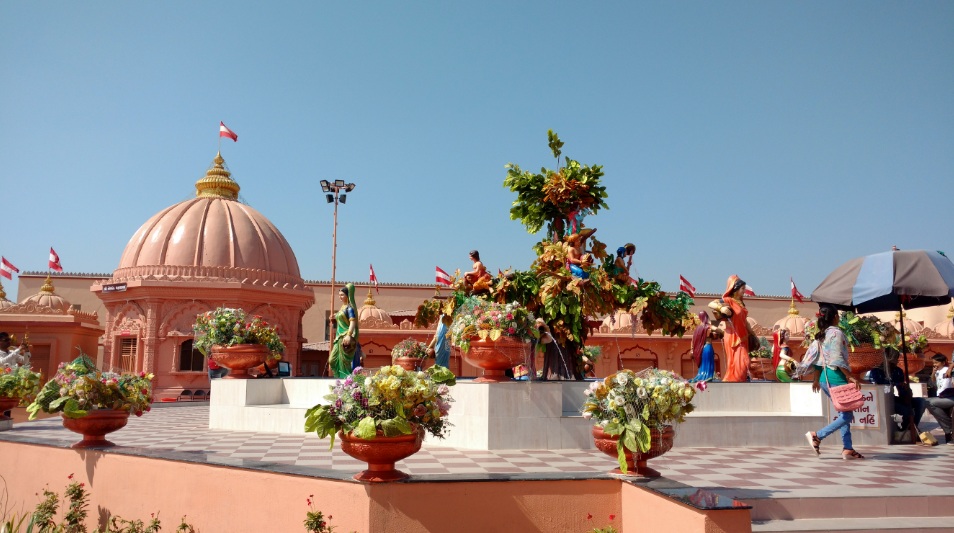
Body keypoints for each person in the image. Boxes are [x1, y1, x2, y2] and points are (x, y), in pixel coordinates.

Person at [803, 303, 865, 460]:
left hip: (825, 378)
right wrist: (850, 376)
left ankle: (848, 448)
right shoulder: (836, 334)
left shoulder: (822, 334)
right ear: (836, 317)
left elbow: (818, 359)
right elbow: (837, 358)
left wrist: (816, 379)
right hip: (836, 377)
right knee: (847, 415)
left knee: (844, 413)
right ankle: (817, 436)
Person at [868, 347, 926, 435]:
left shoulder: (898, 371)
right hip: (883, 400)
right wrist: (896, 384)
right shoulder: (876, 371)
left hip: (894, 398)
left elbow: (901, 390)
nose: (896, 361)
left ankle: (912, 428)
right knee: (906, 411)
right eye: (894, 358)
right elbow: (879, 387)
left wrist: (906, 392)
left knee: (920, 402)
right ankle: (904, 429)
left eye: (896, 358)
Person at [717, 275, 755, 382]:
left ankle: (736, 381)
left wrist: (752, 333)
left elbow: (745, 321)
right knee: (743, 361)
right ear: (735, 289)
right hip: (733, 336)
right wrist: (722, 307)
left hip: (743, 336)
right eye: (742, 289)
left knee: (742, 363)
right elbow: (712, 304)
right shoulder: (728, 300)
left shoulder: (741, 303)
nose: (744, 291)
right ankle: (735, 382)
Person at [328, 283, 362, 378]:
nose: (340, 297)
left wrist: (349, 335)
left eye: (342, 295)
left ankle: (346, 379)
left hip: (345, 337)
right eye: (339, 295)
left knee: (345, 361)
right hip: (338, 337)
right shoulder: (342, 308)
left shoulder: (349, 308)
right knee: (332, 360)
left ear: (347, 295)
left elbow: (353, 322)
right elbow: (341, 317)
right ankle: (338, 377)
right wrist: (334, 317)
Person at [925, 353, 953, 445]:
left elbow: (949, 377)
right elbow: (933, 381)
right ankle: (949, 431)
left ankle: (949, 429)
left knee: (928, 402)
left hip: (949, 396)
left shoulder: (947, 370)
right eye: (933, 362)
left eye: (937, 362)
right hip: (941, 397)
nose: (934, 364)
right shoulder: (937, 371)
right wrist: (933, 372)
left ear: (943, 362)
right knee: (935, 407)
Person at [689, 310, 717, 383]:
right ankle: (708, 376)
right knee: (708, 362)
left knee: (703, 363)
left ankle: (702, 375)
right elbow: (716, 330)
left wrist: (692, 349)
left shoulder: (697, 329)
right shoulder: (708, 327)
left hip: (702, 349)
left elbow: (693, 340)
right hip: (708, 347)